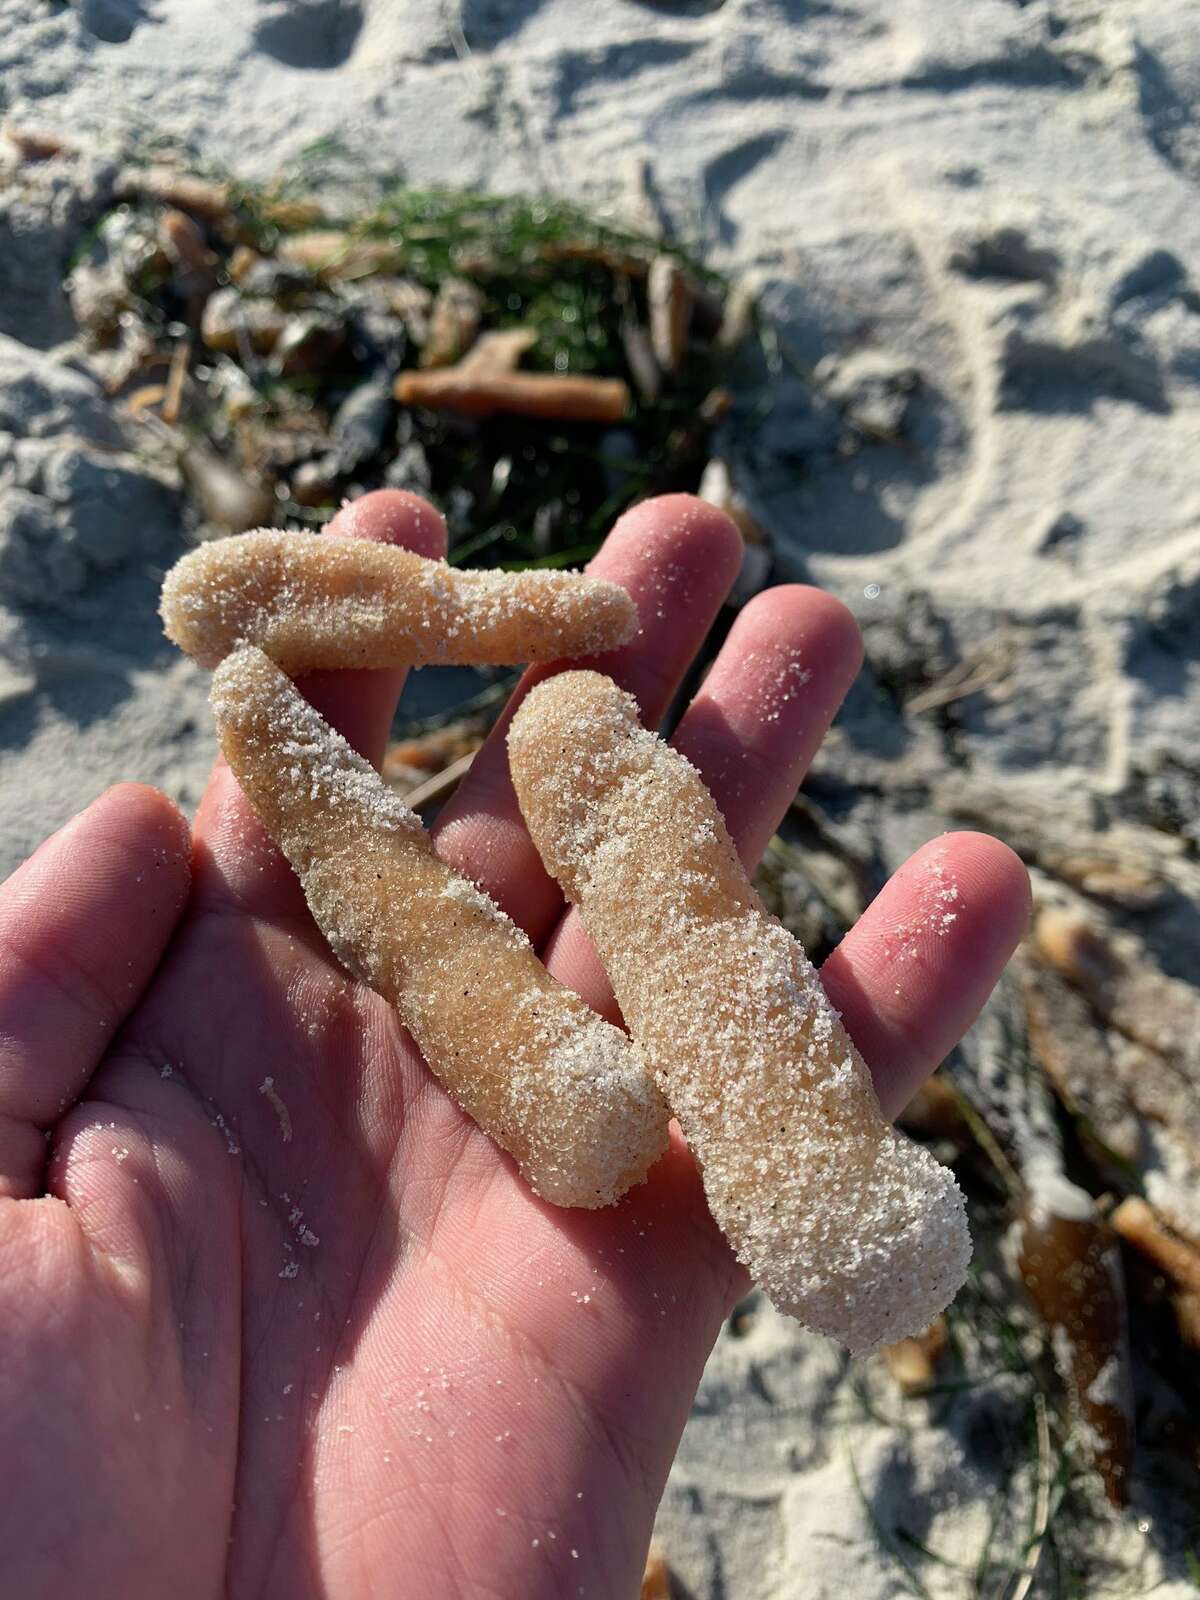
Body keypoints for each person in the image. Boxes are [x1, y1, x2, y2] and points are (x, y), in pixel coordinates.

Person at [0, 490, 1029, 1598]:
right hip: (548, 1043)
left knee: (619, 990)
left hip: (601, 1062)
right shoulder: (291, 720)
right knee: (514, 974)